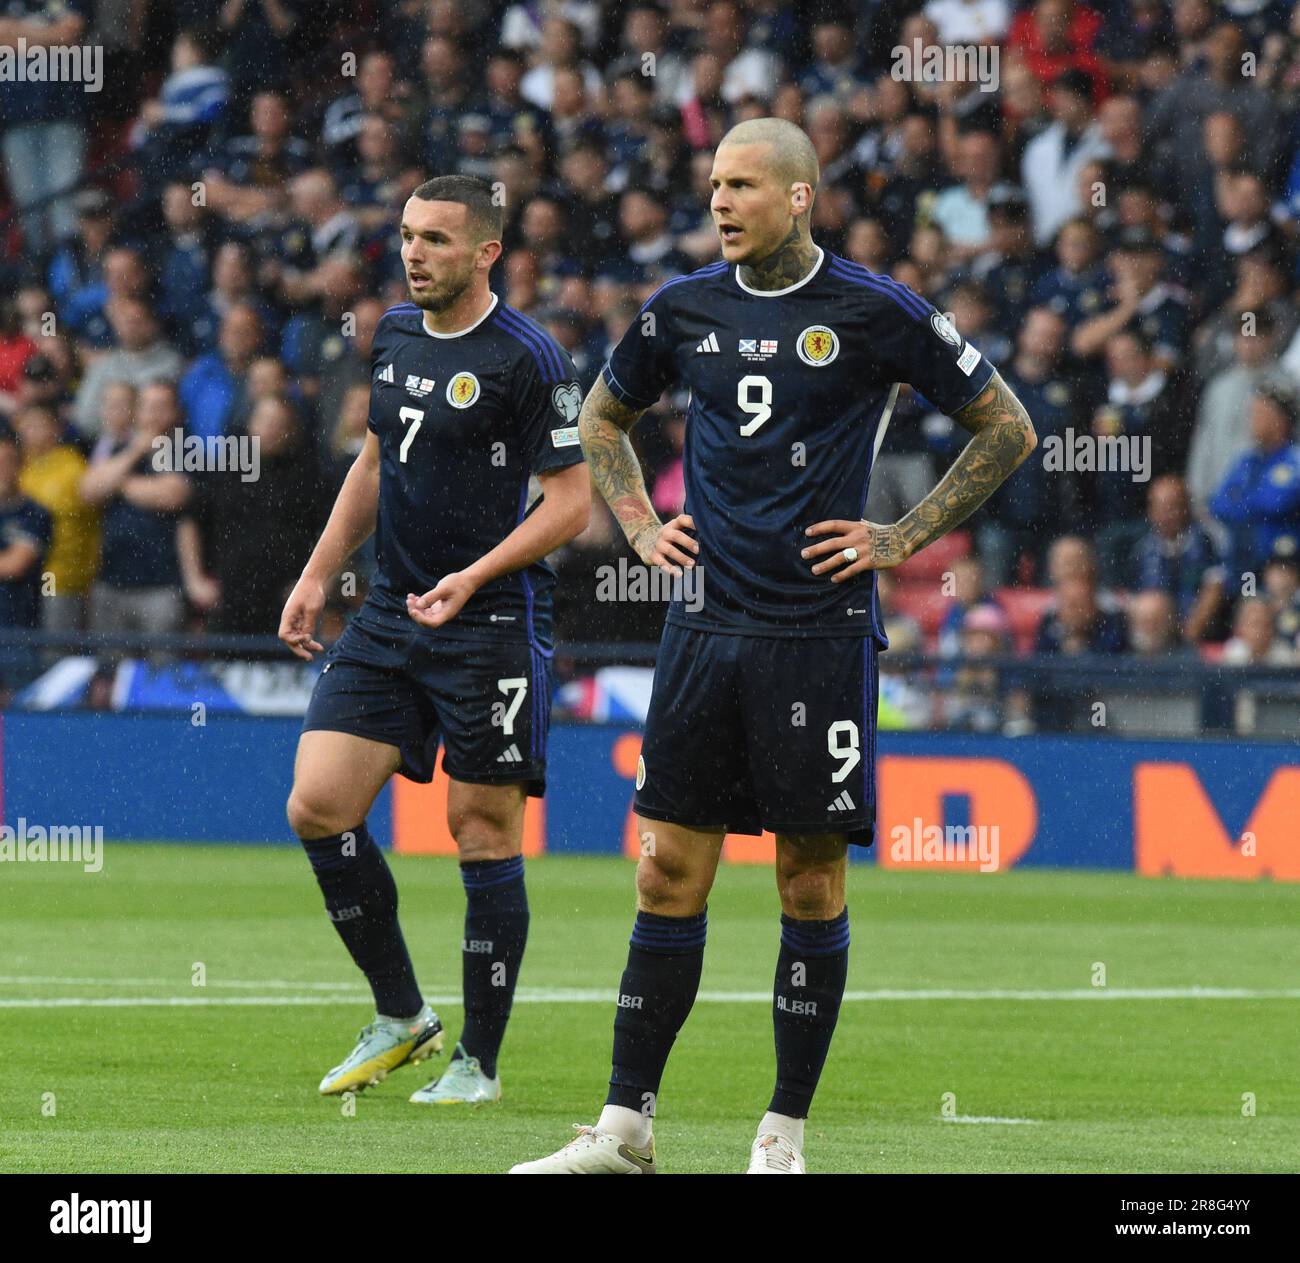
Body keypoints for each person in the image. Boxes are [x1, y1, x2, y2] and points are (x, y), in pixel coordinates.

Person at [511, 117, 1036, 1176]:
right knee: (665, 874)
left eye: (742, 185)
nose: (719, 202)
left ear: (799, 198)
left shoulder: (874, 308)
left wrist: (898, 537)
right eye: (713, 184)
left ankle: (782, 1136)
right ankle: (624, 1131)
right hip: (704, 631)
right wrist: (639, 523)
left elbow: (1007, 426)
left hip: (817, 637)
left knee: (808, 883)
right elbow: (604, 421)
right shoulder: (680, 309)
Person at [278, 177, 590, 1106]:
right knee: (317, 805)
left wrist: (477, 574)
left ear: (487, 251)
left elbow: (571, 503)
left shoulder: (530, 359)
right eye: (409, 237)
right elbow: (376, 459)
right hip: (388, 614)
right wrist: (317, 570)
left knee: (480, 831)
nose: (415, 254)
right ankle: (403, 1013)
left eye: (438, 241)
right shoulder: (395, 333)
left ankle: (479, 1064)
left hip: (490, 624)